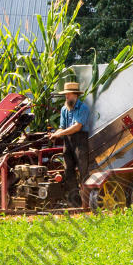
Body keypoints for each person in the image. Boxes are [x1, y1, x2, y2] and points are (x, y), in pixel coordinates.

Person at [49, 80, 93, 208]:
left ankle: (87, 202)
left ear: (75, 95)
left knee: (83, 170)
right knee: (68, 171)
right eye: (65, 95)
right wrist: (54, 134)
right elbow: (62, 127)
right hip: (67, 142)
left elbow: (77, 127)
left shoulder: (83, 108)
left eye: (68, 94)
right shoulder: (64, 109)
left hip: (80, 141)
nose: (66, 96)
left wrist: (60, 134)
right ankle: (75, 202)